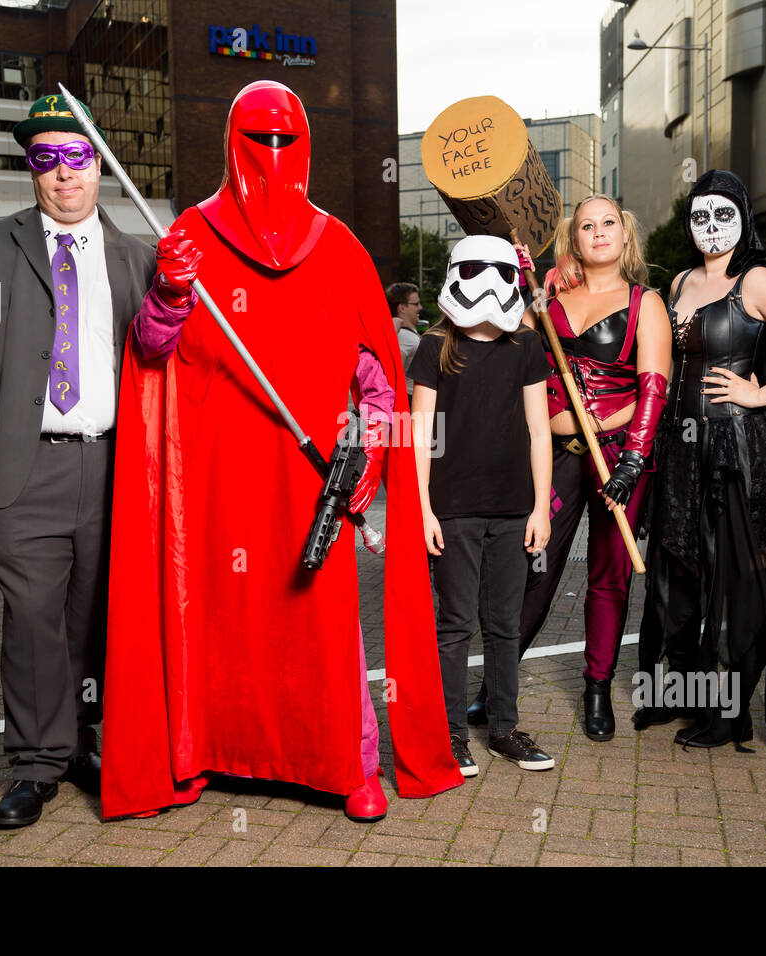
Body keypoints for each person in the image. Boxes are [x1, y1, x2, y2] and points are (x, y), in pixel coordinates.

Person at [102, 80, 463, 824]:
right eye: (257, 139)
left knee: (324, 625)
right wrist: (169, 296)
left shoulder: (338, 248)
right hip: (214, 480)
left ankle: (347, 760)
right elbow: (147, 355)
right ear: (231, 142)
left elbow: (378, 381)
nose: (270, 156)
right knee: (216, 616)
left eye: (284, 141)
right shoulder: (189, 241)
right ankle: (201, 749)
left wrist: (361, 466)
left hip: (309, 480)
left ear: (305, 149)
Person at [0, 94, 164, 830]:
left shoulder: (141, 255)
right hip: (19, 465)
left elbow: (164, 359)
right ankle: (35, 764)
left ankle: (83, 741)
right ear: (30, 170)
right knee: (34, 617)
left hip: (113, 465)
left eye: (78, 159)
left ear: (99, 168)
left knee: (95, 616)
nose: (65, 176)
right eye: (46, 160)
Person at [636, 170, 766, 751]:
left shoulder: (758, 281)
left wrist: (759, 394)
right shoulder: (677, 282)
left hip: (737, 454)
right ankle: (687, 695)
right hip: (680, 451)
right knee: (680, 575)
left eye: (722, 215)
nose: (710, 227)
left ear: (743, 218)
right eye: (699, 216)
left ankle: (731, 714)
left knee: (735, 582)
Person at [465, 195, 670, 742]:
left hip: (621, 453)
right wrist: (512, 276)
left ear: (625, 236)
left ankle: (597, 688)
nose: (599, 232)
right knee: (531, 562)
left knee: (609, 575)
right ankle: (497, 682)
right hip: (555, 455)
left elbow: (654, 389)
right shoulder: (547, 300)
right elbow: (501, 348)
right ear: (573, 239)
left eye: (609, 223)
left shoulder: (645, 302)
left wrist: (633, 460)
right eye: (587, 226)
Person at [410, 234, 555, 775]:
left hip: (514, 508)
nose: (486, 282)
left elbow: (540, 430)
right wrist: (423, 509)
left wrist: (541, 508)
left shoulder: (525, 346)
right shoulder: (434, 346)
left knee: (504, 624)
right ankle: (451, 735)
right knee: (453, 625)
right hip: (453, 511)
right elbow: (421, 433)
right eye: (473, 269)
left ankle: (503, 728)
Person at [387, 281, 423, 395]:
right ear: (402, 308)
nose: (420, 307)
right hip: (408, 403)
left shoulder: (404, 335)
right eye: (416, 304)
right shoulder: (403, 337)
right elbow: (393, 378)